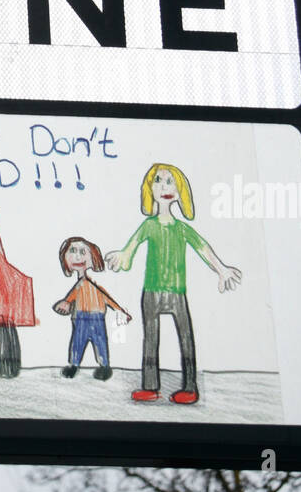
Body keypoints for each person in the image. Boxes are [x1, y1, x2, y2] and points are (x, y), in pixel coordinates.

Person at [105, 164, 242, 405]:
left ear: (180, 192)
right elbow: (132, 247)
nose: (165, 187)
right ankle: (150, 386)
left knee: (186, 338)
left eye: (171, 183)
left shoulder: (183, 229)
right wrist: (123, 256)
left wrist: (221, 269)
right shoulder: (149, 225)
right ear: (150, 189)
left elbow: (203, 249)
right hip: (151, 291)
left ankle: (190, 388)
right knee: (150, 338)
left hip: (177, 292)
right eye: (158, 181)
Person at [53, 236, 131, 381]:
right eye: (73, 251)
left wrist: (120, 311)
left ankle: (104, 366)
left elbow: (108, 298)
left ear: (93, 256)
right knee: (77, 342)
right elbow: (71, 297)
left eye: (83, 252)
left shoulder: (96, 282)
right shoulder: (80, 284)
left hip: (97, 317)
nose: (77, 256)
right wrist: (66, 302)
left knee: (100, 342)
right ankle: (74, 365)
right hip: (80, 317)